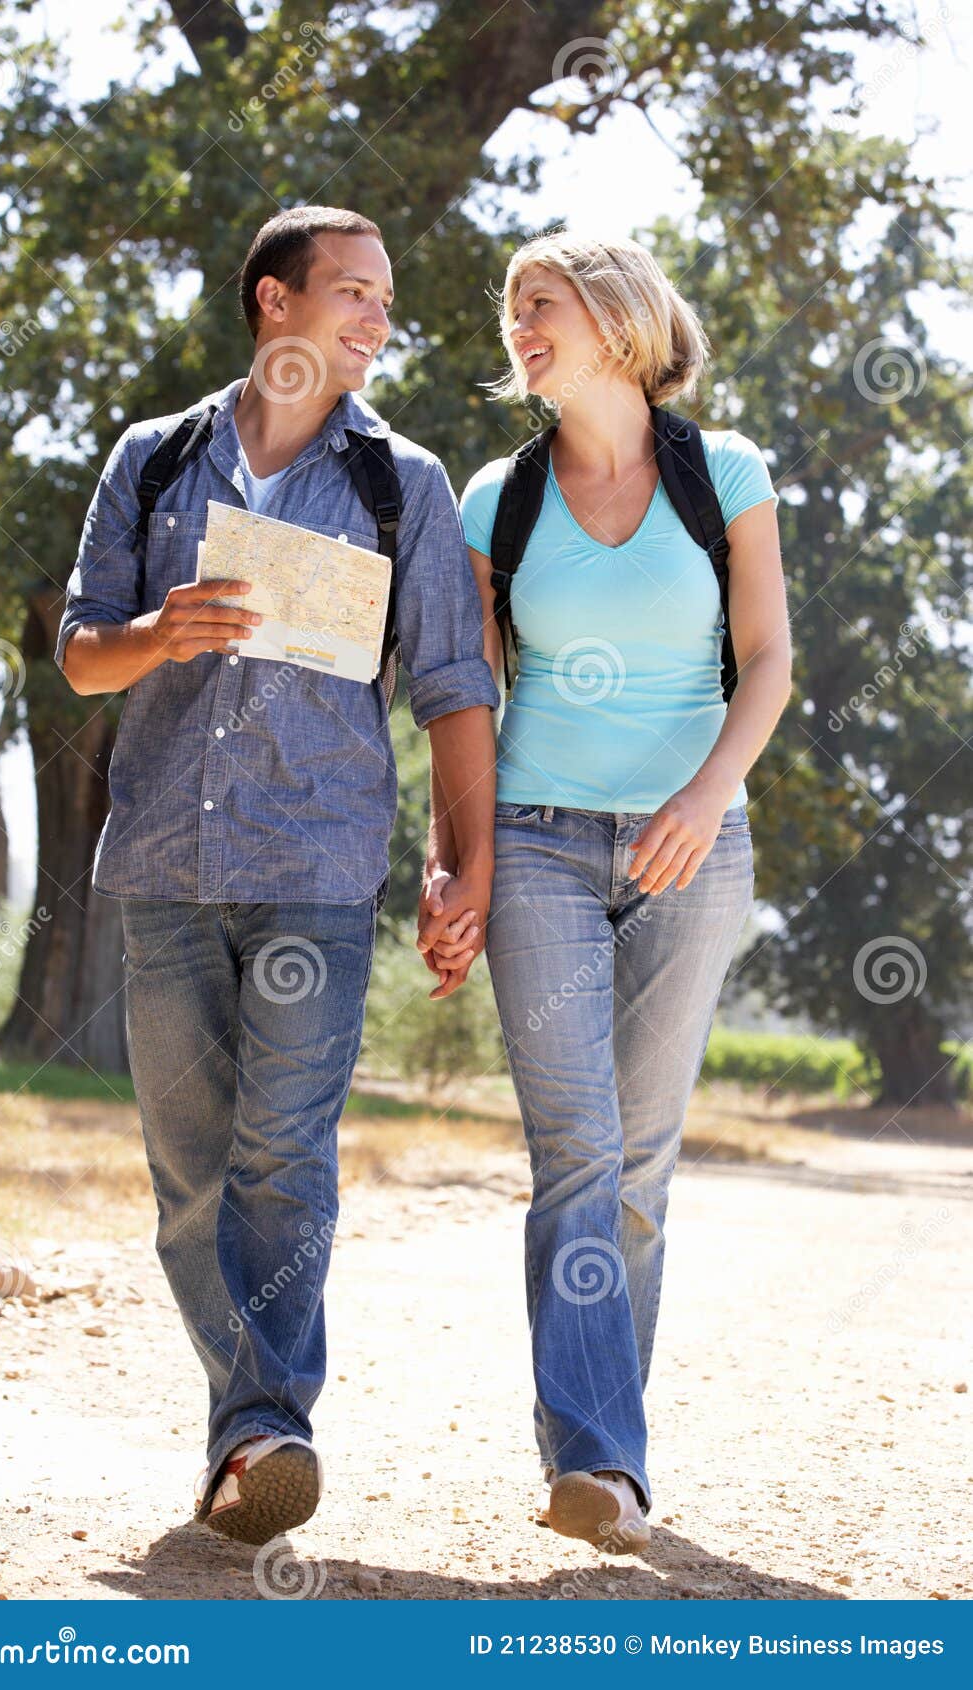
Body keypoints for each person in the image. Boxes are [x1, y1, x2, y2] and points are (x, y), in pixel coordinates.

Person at [56, 205, 498, 1545]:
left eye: (383, 299)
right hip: (160, 864)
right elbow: (82, 653)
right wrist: (161, 631)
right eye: (352, 292)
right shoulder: (157, 457)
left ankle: (263, 1423)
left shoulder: (400, 483)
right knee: (189, 1171)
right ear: (273, 302)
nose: (376, 318)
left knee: (281, 1150)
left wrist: (461, 861)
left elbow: (452, 685)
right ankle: (254, 1431)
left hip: (315, 863)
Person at [418, 230, 791, 1552]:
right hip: (538, 844)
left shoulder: (725, 473)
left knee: (640, 1164)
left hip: (695, 847)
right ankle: (598, 1459)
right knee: (576, 1148)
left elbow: (768, 664)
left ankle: (605, 1448)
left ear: (621, 317)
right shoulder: (494, 500)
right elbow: (464, 696)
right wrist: (449, 854)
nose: (519, 327)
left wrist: (704, 792)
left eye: (543, 304)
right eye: (510, 308)